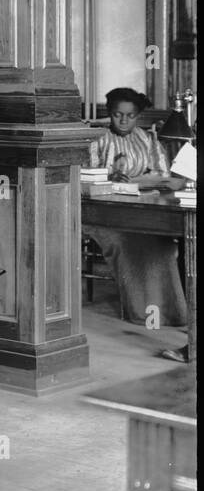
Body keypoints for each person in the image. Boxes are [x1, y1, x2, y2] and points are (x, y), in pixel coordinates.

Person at [86, 87, 188, 348]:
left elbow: (163, 173)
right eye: (118, 115)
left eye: (130, 116)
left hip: (144, 207)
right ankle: (145, 313)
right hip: (105, 213)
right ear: (110, 114)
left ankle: (173, 314)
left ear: (138, 116)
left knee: (163, 245)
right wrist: (110, 178)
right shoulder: (96, 139)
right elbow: (87, 178)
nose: (123, 121)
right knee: (130, 243)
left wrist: (150, 181)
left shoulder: (148, 139)